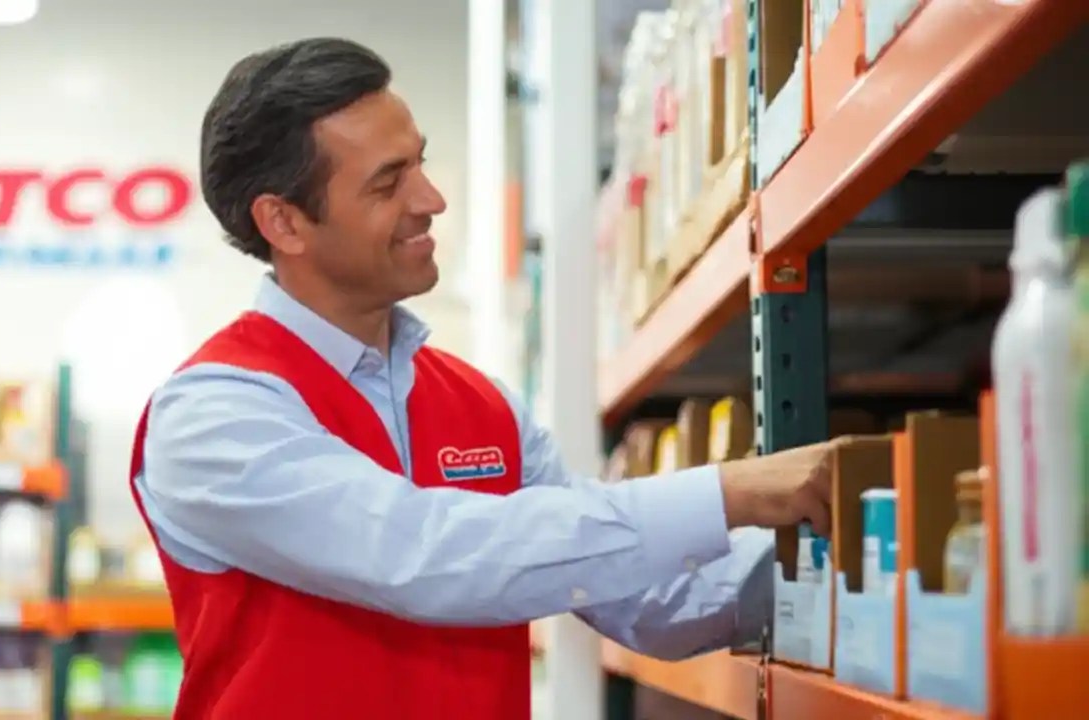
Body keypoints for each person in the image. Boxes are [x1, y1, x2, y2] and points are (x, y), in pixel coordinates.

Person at [128, 37, 833, 720]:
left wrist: (868, 552)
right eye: (387, 182)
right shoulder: (212, 414)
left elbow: (652, 603)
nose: (431, 199)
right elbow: (427, 555)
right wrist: (730, 491)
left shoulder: (480, 405)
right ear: (283, 222)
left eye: (420, 164)